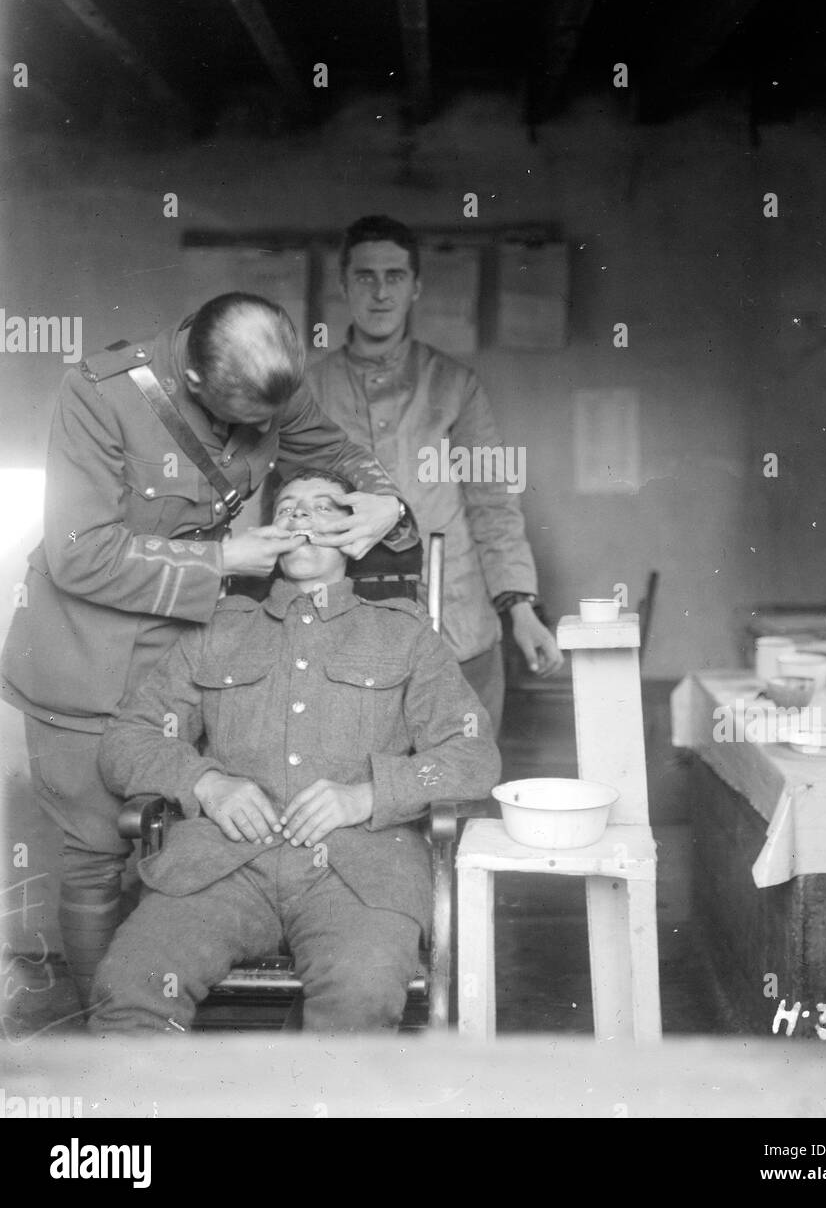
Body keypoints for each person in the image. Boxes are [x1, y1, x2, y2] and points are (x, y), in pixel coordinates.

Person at [1, 293, 417, 1008]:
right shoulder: (100, 394)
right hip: (85, 656)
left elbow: (338, 452)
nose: (263, 433)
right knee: (99, 857)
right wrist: (226, 557)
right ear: (195, 383)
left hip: (195, 648)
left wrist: (384, 498)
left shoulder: (265, 376)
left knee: (190, 854)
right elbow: (79, 556)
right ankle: (113, 1057)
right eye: (247, 422)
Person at [88, 469, 500, 1034]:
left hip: (360, 871)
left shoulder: (405, 636)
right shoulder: (215, 631)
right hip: (220, 865)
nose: (301, 516)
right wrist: (206, 783)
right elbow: (128, 739)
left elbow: (472, 752)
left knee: (360, 995)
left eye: (322, 506)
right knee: (131, 986)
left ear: (355, 537)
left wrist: (368, 796)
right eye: (287, 508)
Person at [307, 215, 563, 736]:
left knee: (459, 787)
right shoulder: (310, 389)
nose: (380, 292)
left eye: (395, 276)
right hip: (340, 626)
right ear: (343, 285)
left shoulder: (455, 385)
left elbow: (493, 503)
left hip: (455, 620)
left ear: (416, 286)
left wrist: (520, 609)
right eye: (365, 276)